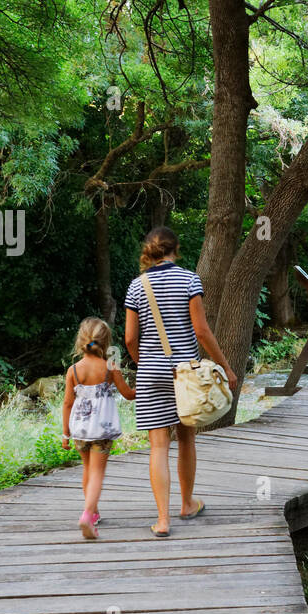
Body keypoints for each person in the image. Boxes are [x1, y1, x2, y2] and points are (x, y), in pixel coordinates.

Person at [123, 226, 240, 537]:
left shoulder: (137, 286)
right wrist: (225, 367)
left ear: (149, 252)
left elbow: (130, 338)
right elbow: (201, 331)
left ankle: (162, 520)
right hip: (185, 375)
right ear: (176, 249)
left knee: (157, 446)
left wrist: (145, 364)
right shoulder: (189, 280)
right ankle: (187, 504)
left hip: (150, 373)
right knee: (186, 439)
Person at [61, 317, 135, 540]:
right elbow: (128, 394)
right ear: (105, 342)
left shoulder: (73, 370)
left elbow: (67, 403)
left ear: (80, 340)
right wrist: (146, 385)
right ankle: (87, 515)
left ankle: (94, 512)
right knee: (97, 474)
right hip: (102, 430)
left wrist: (65, 433)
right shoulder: (110, 366)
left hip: (80, 429)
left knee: (87, 470)